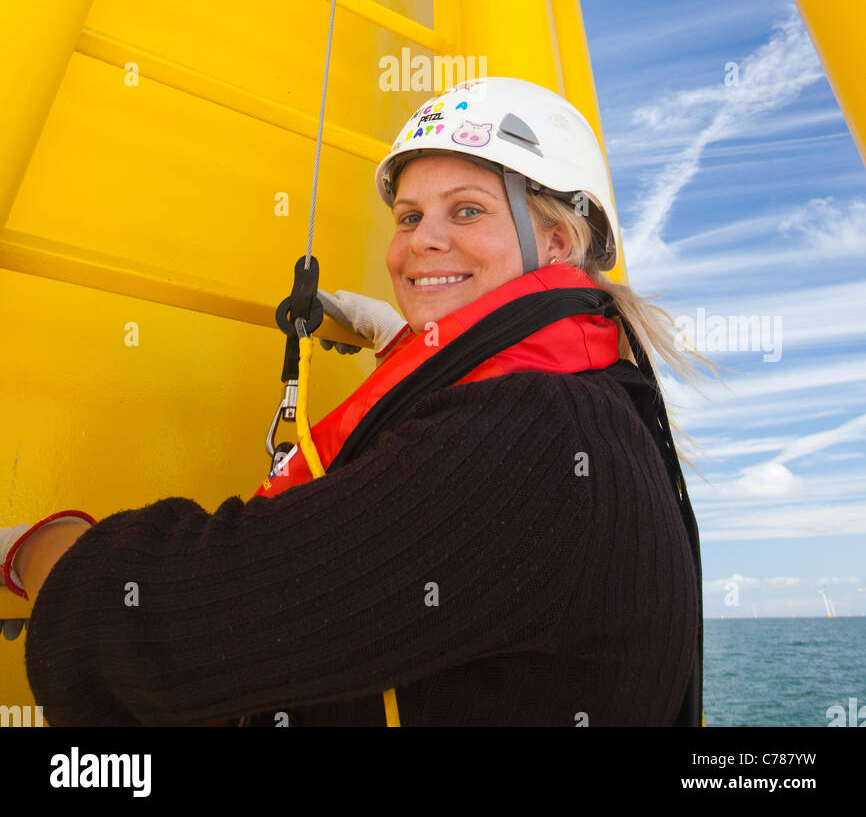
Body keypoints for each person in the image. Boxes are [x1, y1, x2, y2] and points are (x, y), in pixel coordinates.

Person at [3, 76, 709, 726]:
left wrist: (37, 553)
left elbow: (176, 630)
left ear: (557, 241)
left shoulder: (535, 438)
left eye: (467, 210)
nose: (423, 241)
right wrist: (410, 345)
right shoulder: (598, 404)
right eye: (408, 218)